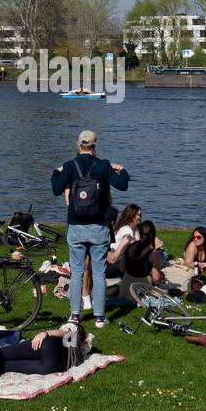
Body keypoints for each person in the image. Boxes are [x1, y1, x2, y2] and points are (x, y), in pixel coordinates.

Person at [51, 129, 130, 329]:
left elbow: (56, 189)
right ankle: (100, 318)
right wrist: (123, 170)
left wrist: (56, 172)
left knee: (76, 273)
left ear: (79, 145)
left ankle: (75, 315)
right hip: (99, 227)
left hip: (76, 226)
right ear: (94, 146)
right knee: (99, 272)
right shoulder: (103, 165)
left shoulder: (70, 166)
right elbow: (122, 185)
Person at [0, 322, 87, 385]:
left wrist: (45, 333)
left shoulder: (73, 329)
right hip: (52, 367)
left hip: (48, 346)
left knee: (1, 353)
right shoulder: (77, 353)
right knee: (4, 367)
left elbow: (66, 332)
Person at [102, 205, 143, 303]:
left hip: (115, 260)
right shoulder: (127, 230)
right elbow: (113, 258)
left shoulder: (135, 229)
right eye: (139, 215)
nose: (141, 217)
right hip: (113, 263)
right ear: (132, 216)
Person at [114, 220, 165, 298]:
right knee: (166, 292)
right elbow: (156, 279)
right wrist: (160, 277)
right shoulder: (153, 253)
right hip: (142, 291)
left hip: (125, 288)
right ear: (153, 234)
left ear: (140, 232)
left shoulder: (129, 246)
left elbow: (122, 269)